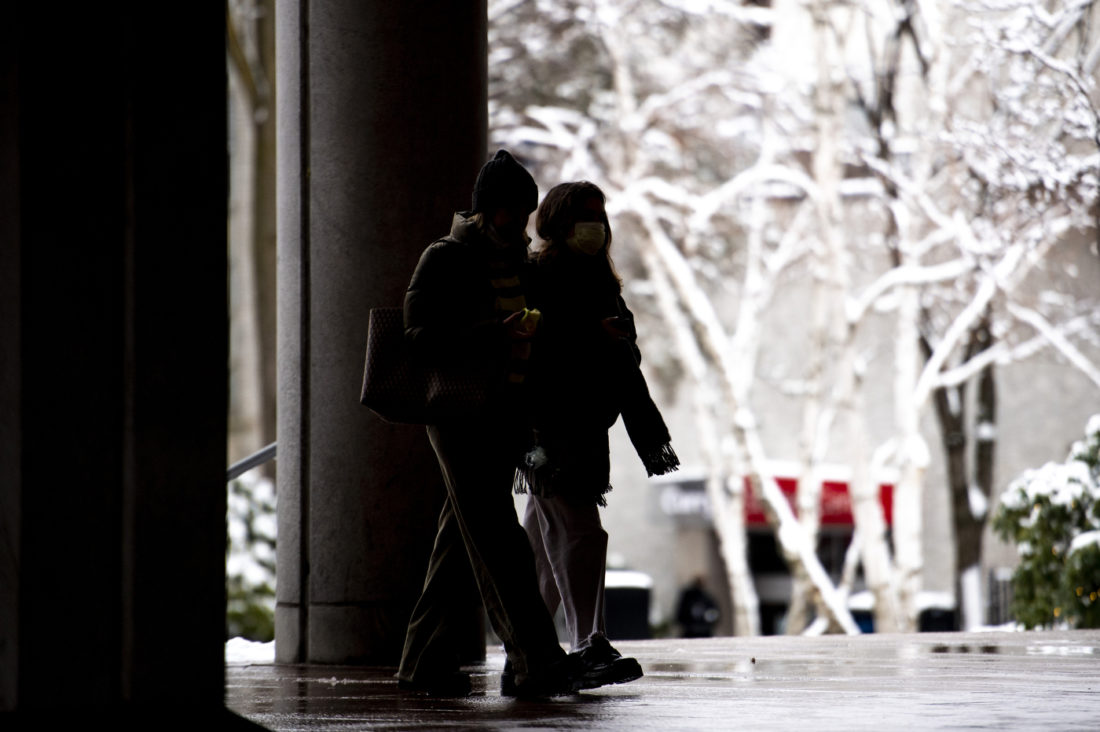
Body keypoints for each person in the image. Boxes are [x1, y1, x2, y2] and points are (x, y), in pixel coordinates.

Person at [394, 151, 581, 698]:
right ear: (484, 210)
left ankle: (422, 662)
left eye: (524, 211)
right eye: (509, 210)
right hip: (458, 418)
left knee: (460, 542)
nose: (518, 221)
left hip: (506, 415)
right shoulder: (445, 257)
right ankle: (536, 661)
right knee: (502, 541)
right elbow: (417, 338)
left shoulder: (521, 262)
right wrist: (495, 333)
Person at [515, 180, 679, 689]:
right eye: (585, 216)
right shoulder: (538, 275)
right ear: (559, 221)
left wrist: (614, 339)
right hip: (549, 431)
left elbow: (623, 349)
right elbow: (531, 345)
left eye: (599, 216)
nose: (595, 227)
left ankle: (528, 659)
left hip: (582, 430)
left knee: (546, 548)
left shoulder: (600, 281)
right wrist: (594, 336)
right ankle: (589, 643)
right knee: (581, 534)